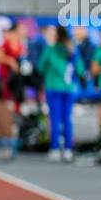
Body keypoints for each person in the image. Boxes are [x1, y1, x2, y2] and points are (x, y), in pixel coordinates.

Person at [37, 25, 80, 161]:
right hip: (69, 89)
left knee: (54, 118)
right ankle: (68, 149)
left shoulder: (49, 50)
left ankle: (55, 149)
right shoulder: (72, 50)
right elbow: (80, 69)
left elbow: (40, 67)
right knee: (67, 119)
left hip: (53, 88)